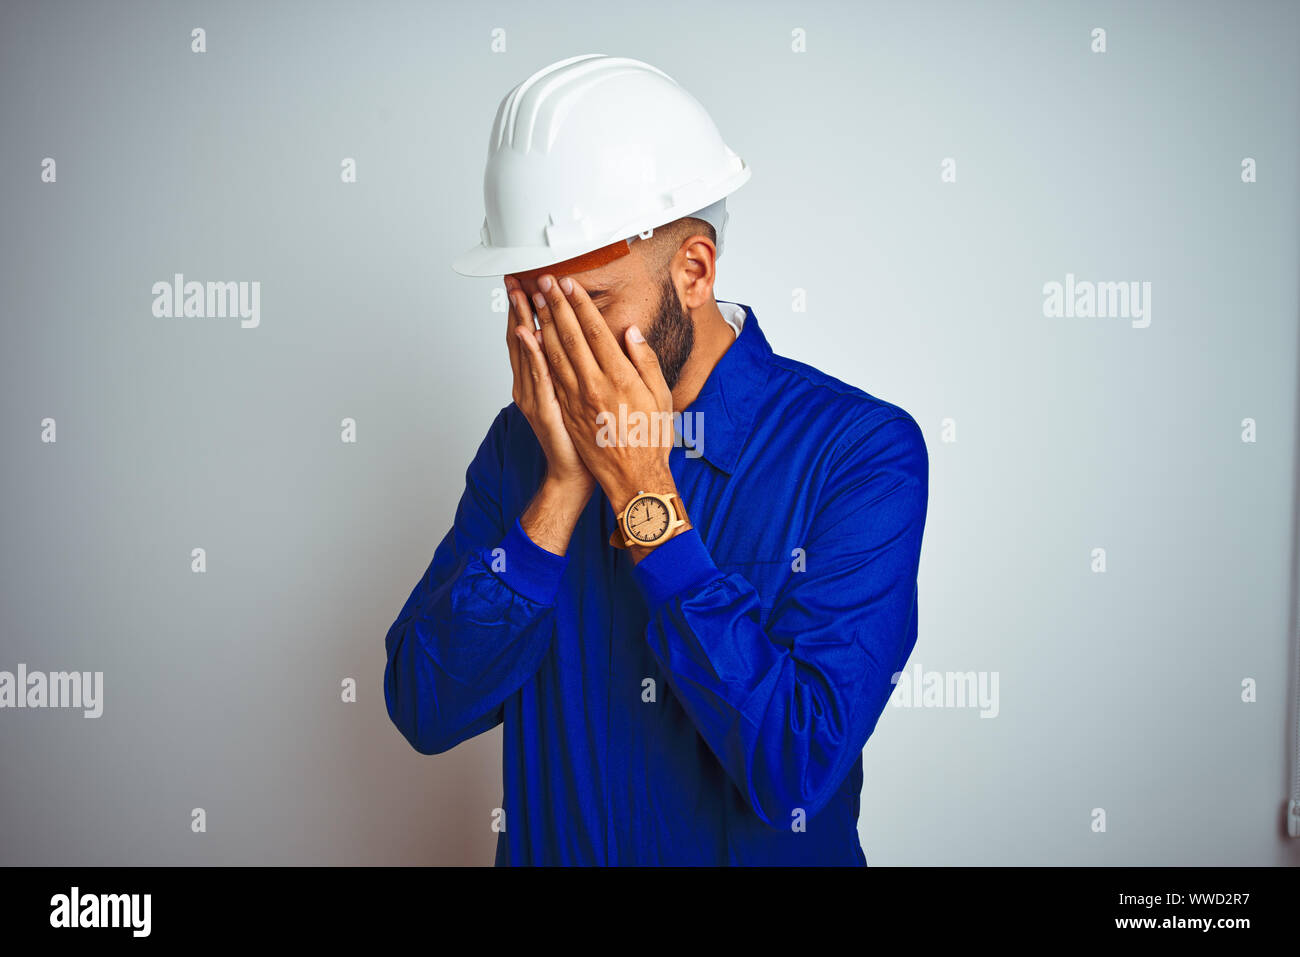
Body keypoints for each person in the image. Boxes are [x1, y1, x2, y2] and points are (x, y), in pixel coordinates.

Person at [383, 54, 929, 865]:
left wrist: (645, 498)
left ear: (695, 271)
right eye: (532, 307)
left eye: (590, 304)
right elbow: (427, 708)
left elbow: (795, 765)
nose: (557, 345)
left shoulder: (860, 453)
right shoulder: (520, 447)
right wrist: (563, 486)